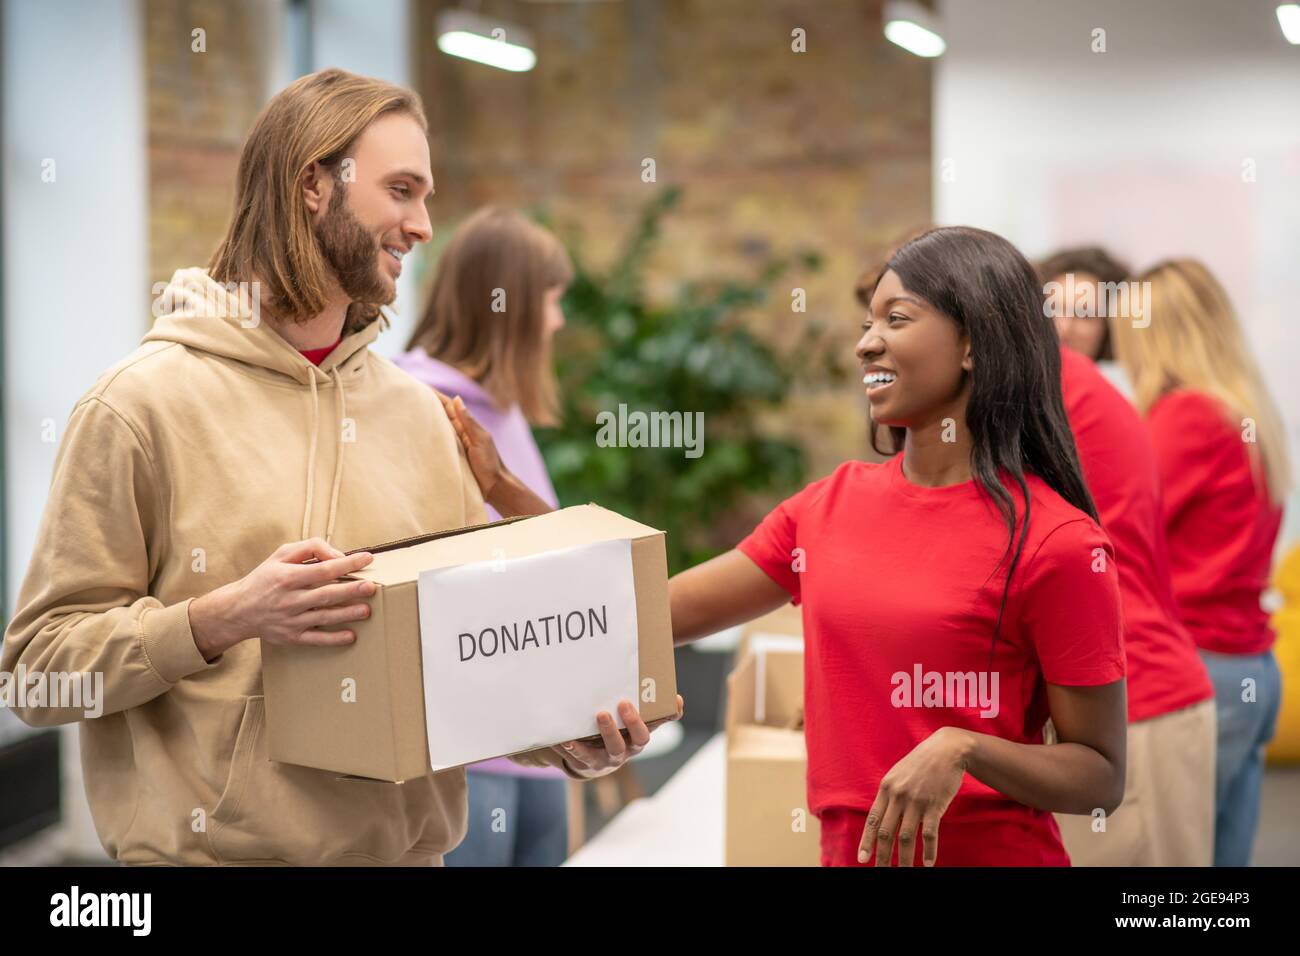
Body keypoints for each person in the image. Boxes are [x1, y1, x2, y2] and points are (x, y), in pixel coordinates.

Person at [0, 68, 666, 867]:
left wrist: (560, 743)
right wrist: (220, 619)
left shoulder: (421, 417)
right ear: (314, 184)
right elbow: (36, 678)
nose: (423, 225)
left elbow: (456, 676)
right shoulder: (137, 407)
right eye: (402, 190)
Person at [447, 226, 1128, 866]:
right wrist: (503, 489)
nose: (866, 344)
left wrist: (966, 748)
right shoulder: (830, 507)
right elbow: (644, 608)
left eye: (896, 320)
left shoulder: (1058, 543)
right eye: (868, 324)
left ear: (975, 341)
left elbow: (1099, 772)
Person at [393, 207, 573, 866]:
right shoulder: (419, 406)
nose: (558, 322)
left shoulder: (505, 413)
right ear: (512, 308)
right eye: (551, 301)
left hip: (540, 752)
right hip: (468, 757)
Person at [1111, 258, 1291, 866]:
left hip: (1196, 669)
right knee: (1220, 874)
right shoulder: (1247, 414)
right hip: (1248, 667)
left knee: (1170, 877)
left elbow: (1114, 527)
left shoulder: (1184, 417)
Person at [1051, 345, 1216, 865]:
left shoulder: (1038, 384)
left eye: (899, 318)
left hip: (1136, 697)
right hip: (1130, 694)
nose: (873, 341)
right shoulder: (1064, 382)